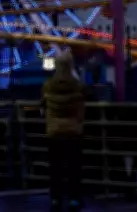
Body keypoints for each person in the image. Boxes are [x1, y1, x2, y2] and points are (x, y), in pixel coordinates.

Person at [42, 52, 86, 212]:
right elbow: (85, 101)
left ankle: (55, 199)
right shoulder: (77, 85)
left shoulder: (48, 85)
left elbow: (42, 103)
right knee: (74, 168)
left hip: (54, 131)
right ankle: (74, 199)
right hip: (73, 131)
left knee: (55, 168)